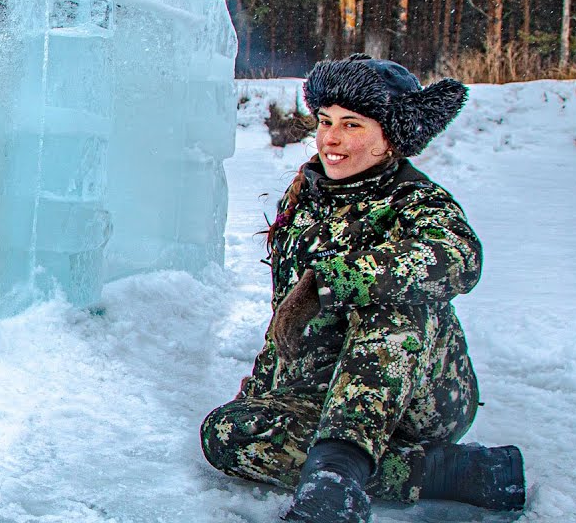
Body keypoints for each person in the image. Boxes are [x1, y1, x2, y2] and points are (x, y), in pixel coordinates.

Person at [200, 54, 526, 523]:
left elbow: (458, 257)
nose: (330, 138)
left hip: (417, 401)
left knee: (391, 297)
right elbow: (289, 317)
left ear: (390, 136)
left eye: (351, 124)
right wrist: (262, 394)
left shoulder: (414, 200)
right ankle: (454, 472)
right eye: (325, 121)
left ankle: (333, 489)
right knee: (226, 433)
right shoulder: (307, 199)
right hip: (327, 392)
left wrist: (331, 281)